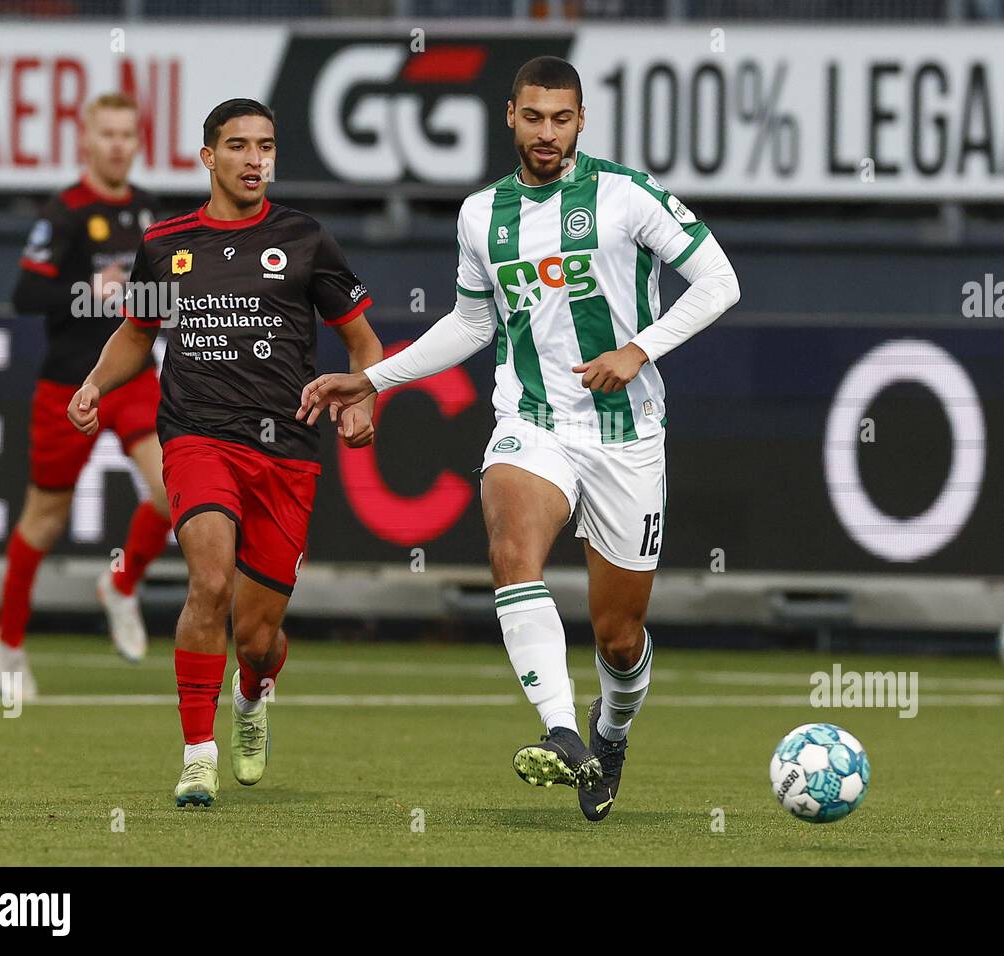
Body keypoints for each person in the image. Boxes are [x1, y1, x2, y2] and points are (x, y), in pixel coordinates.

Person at [297, 56, 739, 821]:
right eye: (532, 117)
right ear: (510, 116)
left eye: (560, 119)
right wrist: (375, 379)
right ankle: (562, 732)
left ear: (580, 121)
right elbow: (473, 323)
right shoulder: (480, 216)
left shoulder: (625, 195)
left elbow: (720, 282)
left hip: (627, 434)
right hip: (531, 421)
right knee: (510, 543)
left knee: (620, 636)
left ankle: (610, 729)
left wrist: (638, 350)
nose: (546, 132)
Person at [67, 98, 383, 807]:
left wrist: (365, 396)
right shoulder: (166, 241)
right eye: (237, 146)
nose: (253, 159)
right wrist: (94, 382)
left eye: (265, 146)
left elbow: (363, 341)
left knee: (257, 634)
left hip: (288, 448)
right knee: (209, 584)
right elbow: (136, 333)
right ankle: (196, 754)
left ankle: (252, 696)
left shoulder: (305, 239)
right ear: (207, 157)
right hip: (196, 434)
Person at [0, 92, 168, 700]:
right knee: (45, 520)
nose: (118, 144)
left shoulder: (148, 211)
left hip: (133, 378)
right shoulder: (64, 213)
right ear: (86, 142)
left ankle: (120, 585)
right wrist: (84, 287)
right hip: (70, 384)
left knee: (174, 495)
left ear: (136, 142)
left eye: (127, 134)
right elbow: (23, 297)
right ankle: (8, 641)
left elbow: (156, 298)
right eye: (108, 134)